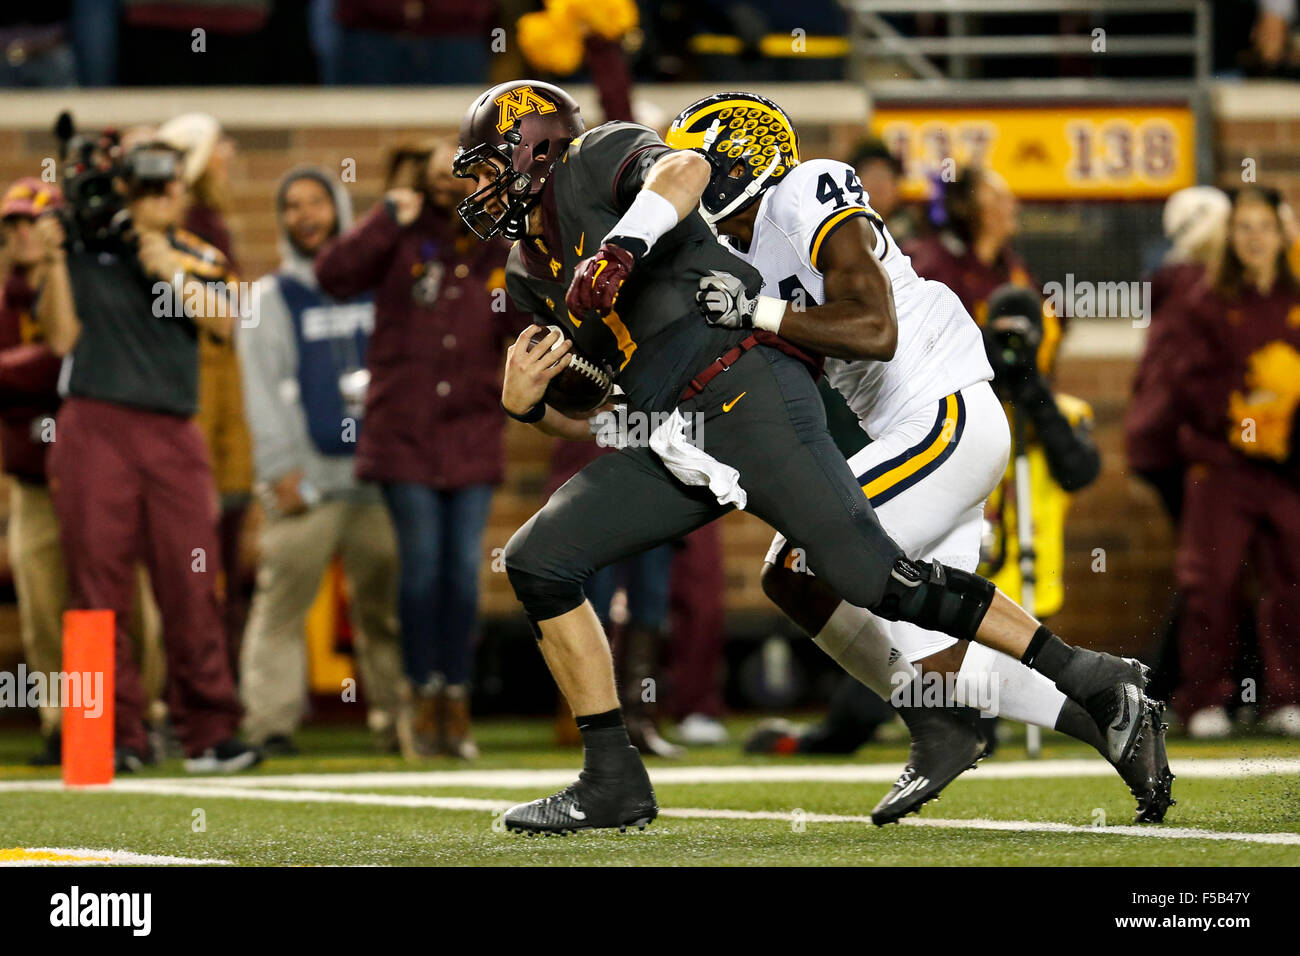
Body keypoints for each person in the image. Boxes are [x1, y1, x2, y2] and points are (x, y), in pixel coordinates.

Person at [455, 79, 1159, 835]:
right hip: (681, 430)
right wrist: (529, 405)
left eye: (491, 165)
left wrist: (627, 249)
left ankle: (1089, 675)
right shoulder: (539, 273)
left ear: (535, 146)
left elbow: (682, 176)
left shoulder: (617, 162)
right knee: (543, 559)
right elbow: (602, 413)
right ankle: (612, 779)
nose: (482, 189)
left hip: (859, 403)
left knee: (859, 576)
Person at [668, 94, 1153, 824]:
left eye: (702, 167)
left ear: (745, 160)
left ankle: (958, 725)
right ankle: (1108, 714)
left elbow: (874, 327)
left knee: (799, 565)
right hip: (914, 432)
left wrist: (754, 316)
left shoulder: (805, 190)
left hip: (942, 410)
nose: (691, 185)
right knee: (933, 663)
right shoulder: (737, 255)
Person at [35, 139, 258, 773]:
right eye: (148, 186)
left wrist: (165, 266)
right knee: (94, 586)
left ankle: (210, 733)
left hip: (172, 430)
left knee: (190, 583)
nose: (163, 196)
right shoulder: (81, 249)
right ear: (125, 189)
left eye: (170, 186)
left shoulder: (194, 252)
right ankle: (102, 738)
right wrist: (52, 264)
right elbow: (59, 338)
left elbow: (224, 323)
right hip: (93, 421)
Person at [315, 140, 526, 758]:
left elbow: (526, 325)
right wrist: (385, 217)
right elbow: (333, 275)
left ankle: (452, 699)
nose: (447, 187)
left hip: (471, 433)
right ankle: (416, 697)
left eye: (457, 176)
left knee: (463, 573)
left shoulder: (497, 248)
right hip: (403, 433)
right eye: (436, 177)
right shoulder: (398, 238)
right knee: (422, 568)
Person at [237, 167, 404, 757]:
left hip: (377, 478)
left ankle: (400, 722)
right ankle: (270, 726)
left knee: (385, 612)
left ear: (338, 208)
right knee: (281, 609)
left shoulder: (380, 283)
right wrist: (279, 468)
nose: (304, 216)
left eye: (316, 203)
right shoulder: (269, 298)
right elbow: (261, 391)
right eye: (292, 206)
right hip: (305, 481)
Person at [1169, 186, 1300, 737]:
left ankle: (1286, 696)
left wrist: (1285, 427)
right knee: (1212, 582)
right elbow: (1188, 384)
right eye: (1243, 227)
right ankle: (1203, 699)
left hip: (1288, 468)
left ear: (1281, 233)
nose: (1254, 237)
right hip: (1222, 465)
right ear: (1230, 237)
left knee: (1292, 577)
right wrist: (1245, 418)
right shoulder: (1205, 299)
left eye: (1263, 226)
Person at [1126, 186, 1232, 702]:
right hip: (1181, 446)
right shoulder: (1196, 284)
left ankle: (1169, 681)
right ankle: (1163, 683)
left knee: (1212, 564)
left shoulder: (1176, 280)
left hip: (1161, 441)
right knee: (1210, 567)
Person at [157, 112, 254, 671]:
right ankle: (202, 691)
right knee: (203, 572)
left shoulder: (205, 221)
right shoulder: (196, 226)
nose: (230, 153)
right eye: (221, 145)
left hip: (216, 425)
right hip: (205, 428)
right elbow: (228, 325)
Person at [0, 179, 67, 764]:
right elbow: (55, 366)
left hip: (96, 473)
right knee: (42, 606)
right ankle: (59, 722)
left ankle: (142, 712)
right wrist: (45, 371)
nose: (22, 233)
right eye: (13, 224)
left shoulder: (79, 285)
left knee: (124, 600)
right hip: (31, 478)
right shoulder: (4, 299)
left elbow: (78, 354)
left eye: (33, 222)